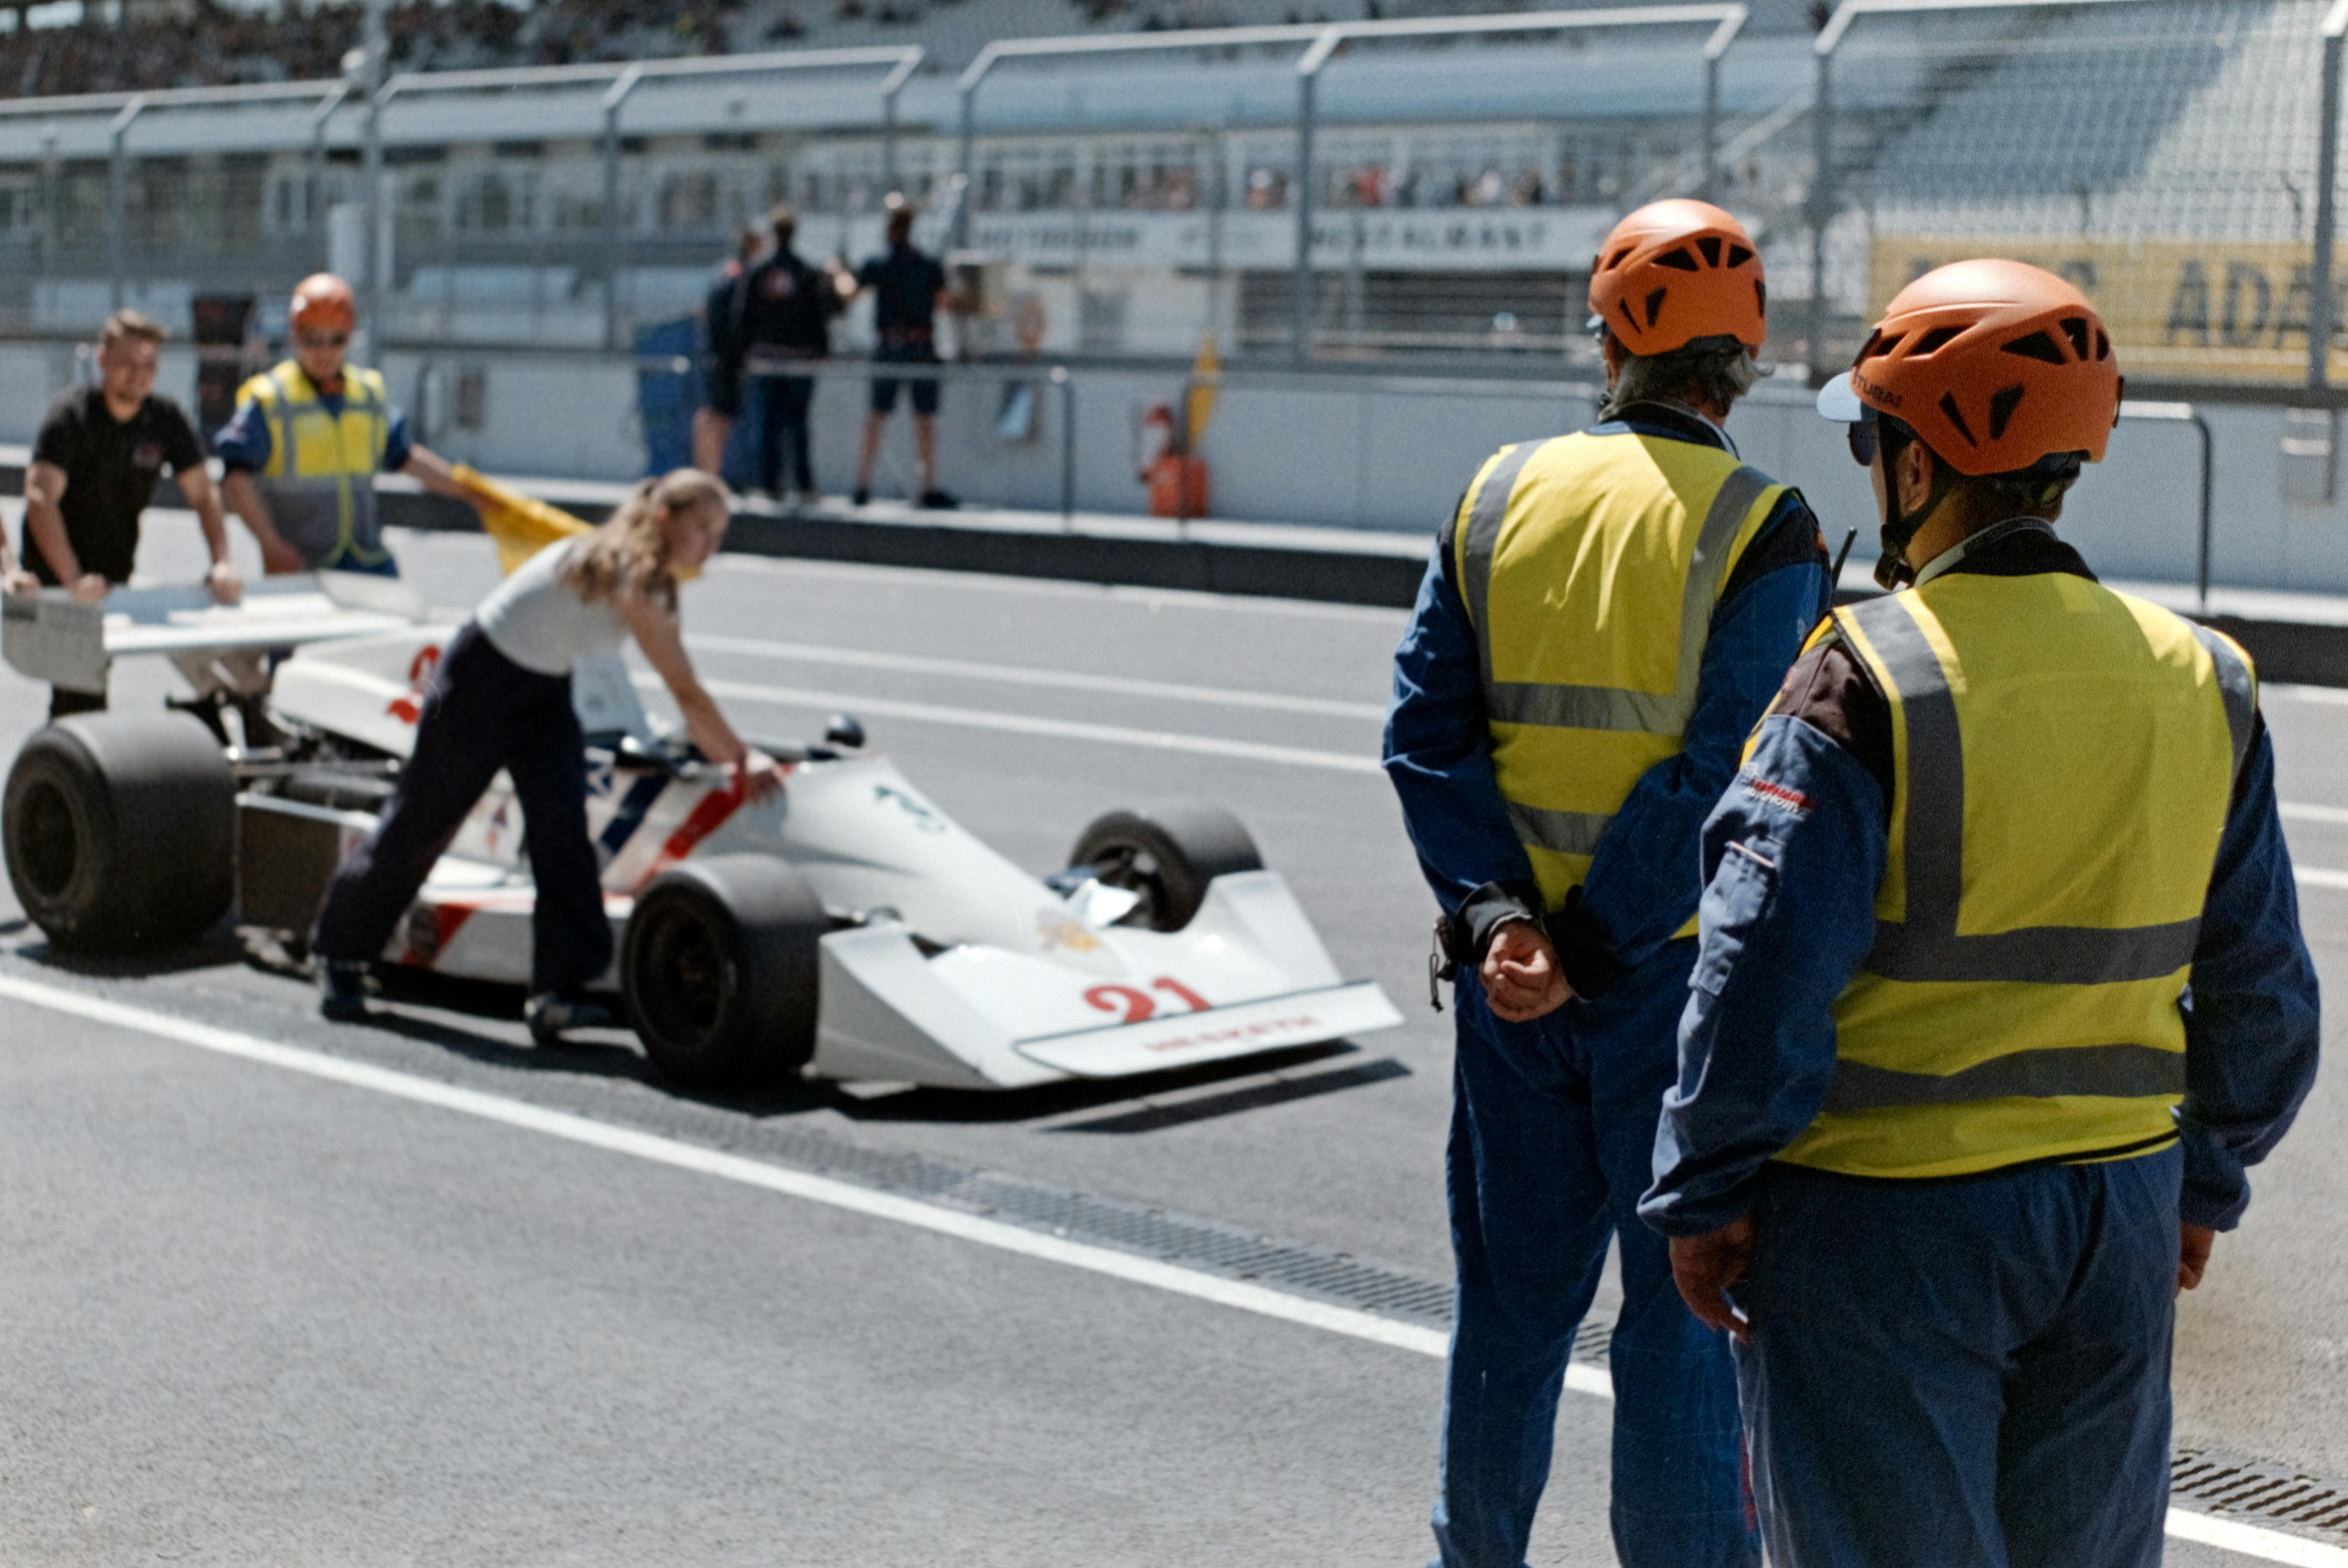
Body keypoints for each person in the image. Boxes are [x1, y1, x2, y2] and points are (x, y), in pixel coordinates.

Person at [1640, 260, 2321, 1568]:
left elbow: (1759, 970)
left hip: (1884, 1225)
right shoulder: (2203, 677)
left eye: (1874, 441)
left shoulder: (1865, 677)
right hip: (2117, 1215)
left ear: (1916, 462)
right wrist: (2203, 1177)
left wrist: (1706, 1187)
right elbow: (2267, 992)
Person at [1383, 198, 1828, 1568]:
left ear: (1608, 342)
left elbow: (1424, 736)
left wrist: (1502, 923)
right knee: (1680, 1337)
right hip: (1670, 995)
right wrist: (1582, 942)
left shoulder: (1495, 495)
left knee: (1507, 1323)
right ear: (1741, 361)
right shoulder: (1762, 526)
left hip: (1513, 995)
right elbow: (1730, 774)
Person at [309, 468, 785, 1042]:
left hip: (544, 687)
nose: (711, 545)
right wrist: (745, 758)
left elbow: (688, 695)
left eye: (719, 533)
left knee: (562, 828)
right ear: (665, 519)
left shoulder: (654, 578)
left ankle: (560, 989)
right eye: (703, 528)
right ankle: (339, 953)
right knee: (424, 817)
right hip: (480, 678)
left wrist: (733, 758)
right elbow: (685, 689)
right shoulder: (629, 572)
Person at [8, 309, 242, 718]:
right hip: (59, 580)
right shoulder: (72, 416)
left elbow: (204, 494)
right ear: (102, 360)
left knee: (93, 689)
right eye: (128, 363)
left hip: (113, 576)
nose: (138, 374)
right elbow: (41, 497)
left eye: (149, 365)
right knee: (80, 696)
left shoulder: (164, 419)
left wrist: (222, 562)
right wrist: (72, 578)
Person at [215, 272, 477, 577]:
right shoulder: (272, 399)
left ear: (350, 337)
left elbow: (407, 457)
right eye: (312, 339)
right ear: (295, 336)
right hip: (304, 566)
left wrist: (472, 491)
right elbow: (236, 478)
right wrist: (272, 546)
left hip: (368, 560)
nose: (324, 352)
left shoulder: (366, 394)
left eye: (336, 339)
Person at [834, 193, 969, 509]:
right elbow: (944, 304)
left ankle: (863, 485)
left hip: (890, 347)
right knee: (923, 419)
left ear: (889, 226)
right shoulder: (928, 263)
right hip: (921, 346)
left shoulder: (877, 263)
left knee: (877, 416)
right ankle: (928, 486)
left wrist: (840, 273)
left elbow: (849, 296)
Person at [734, 205, 843, 507]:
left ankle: (771, 484)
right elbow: (820, 314)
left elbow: (743, 316)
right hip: (800, 360)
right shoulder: (805, 271)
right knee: (798, 423)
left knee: (768, 423)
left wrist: (745, 350)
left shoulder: (759, 273)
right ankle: (804, 485)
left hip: (767, 359)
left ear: (773, 234)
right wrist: (822, 350)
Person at [695, 226, 765, 477]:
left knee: (712, 414)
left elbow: (704, 312)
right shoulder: (745, 275)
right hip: (730, 356)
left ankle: (707, 474)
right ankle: (710, 475)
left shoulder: (725, 270)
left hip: (715, 351)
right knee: (719, 417)